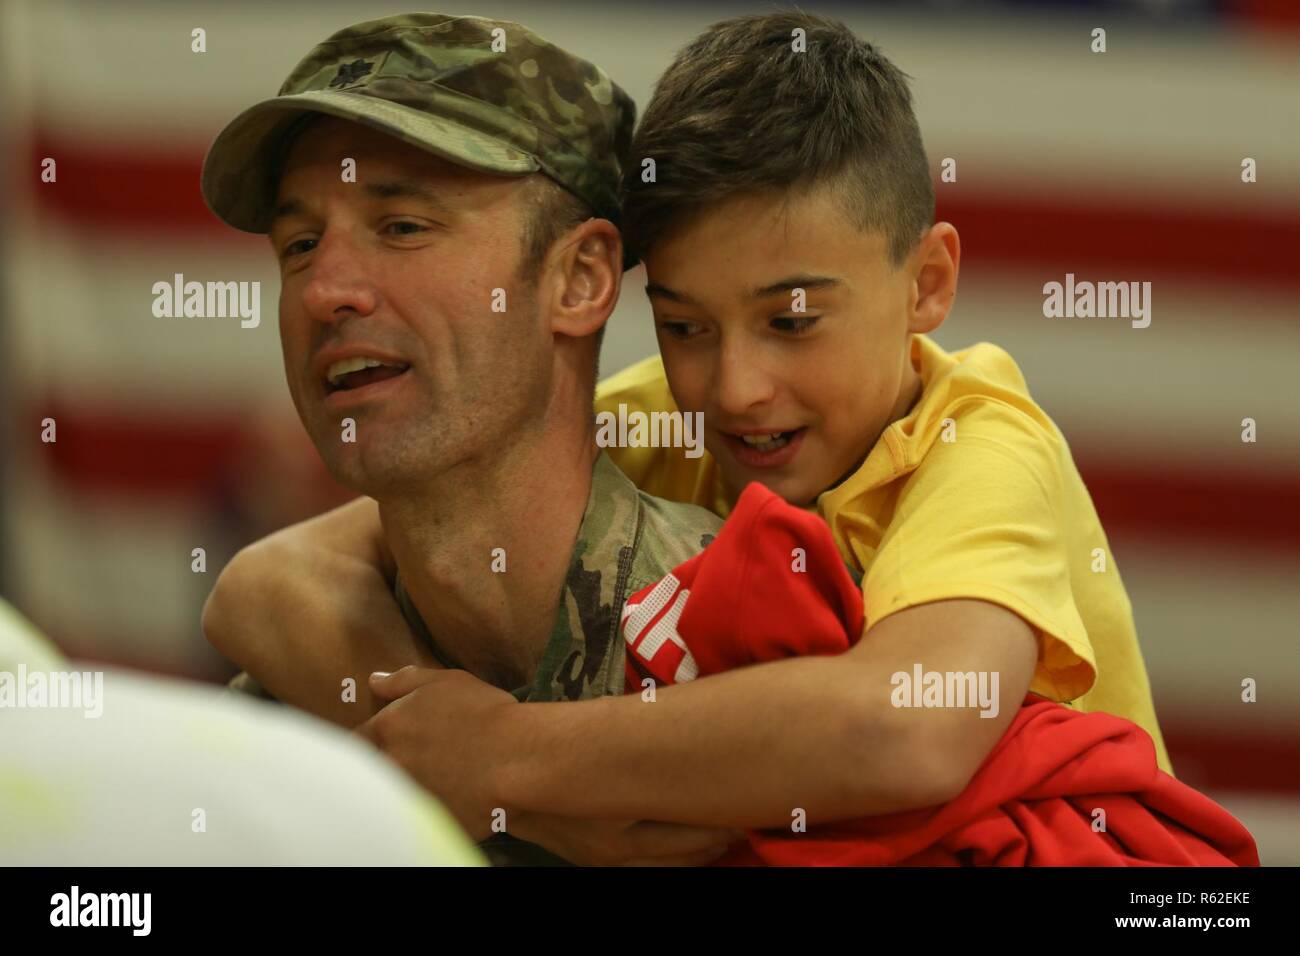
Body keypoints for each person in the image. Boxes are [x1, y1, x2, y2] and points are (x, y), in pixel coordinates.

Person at [204, 11, 1167, 866]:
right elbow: (267, 580)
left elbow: (906, 728)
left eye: (792, 322)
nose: (736, 390)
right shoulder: (655, 416)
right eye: (685, 326)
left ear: (926, 286)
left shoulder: (979, 440)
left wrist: (505, 755)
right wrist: (463, 775)